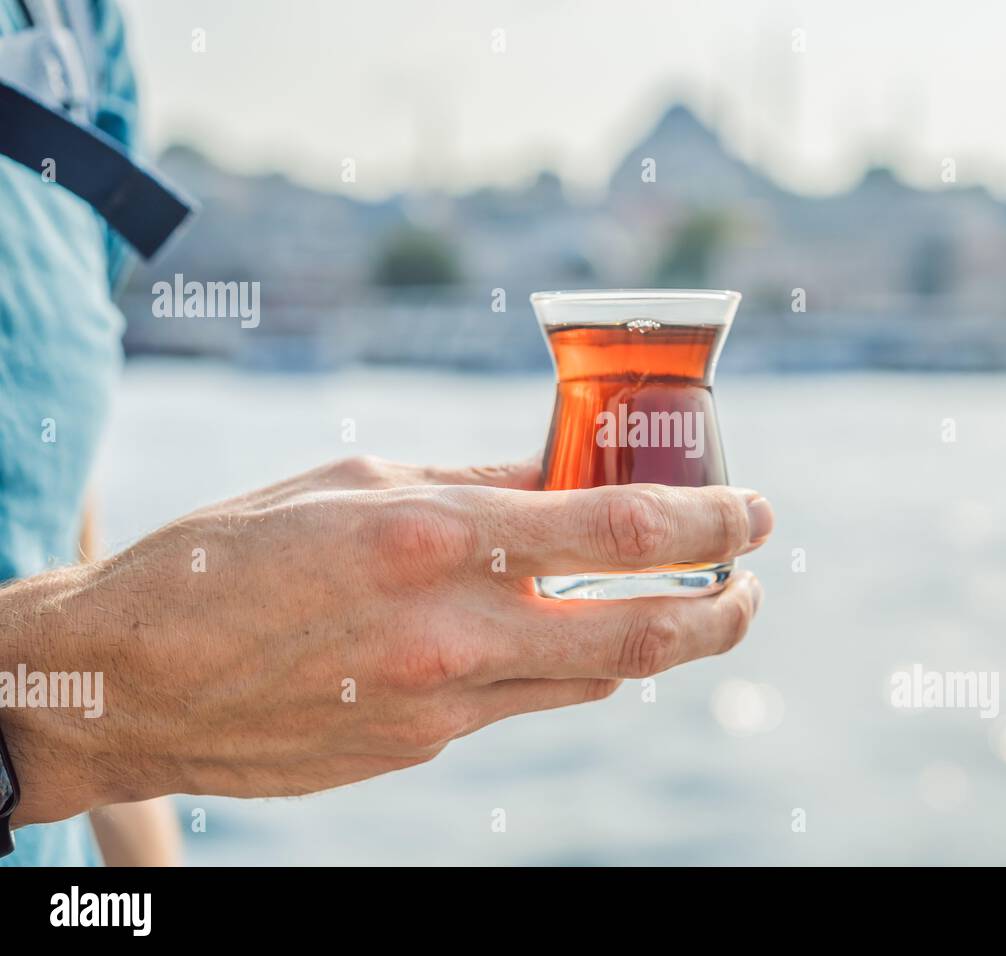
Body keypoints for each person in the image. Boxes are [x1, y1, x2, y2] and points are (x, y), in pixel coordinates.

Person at [0, 1, 773, 866]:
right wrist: (91, 701)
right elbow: (99, 686)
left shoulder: (79, 27)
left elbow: (56, 517)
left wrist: (121, 730)